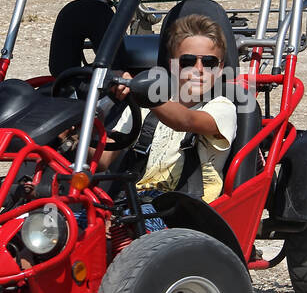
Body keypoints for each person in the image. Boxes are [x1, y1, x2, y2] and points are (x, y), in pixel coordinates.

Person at [100, 13, 237, 207]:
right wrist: (76, 132)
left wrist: (144, 93)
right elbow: (104, 158)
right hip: (135, 203)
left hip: (188, 211)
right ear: (172, 64)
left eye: (209, 63)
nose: (199, 69)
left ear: (220, 68)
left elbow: (186, 121)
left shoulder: (222, 108)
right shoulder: (143, 107)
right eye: (187, 61)